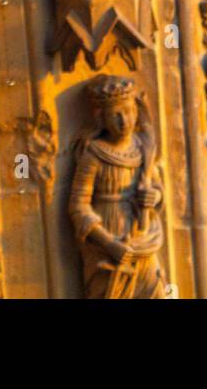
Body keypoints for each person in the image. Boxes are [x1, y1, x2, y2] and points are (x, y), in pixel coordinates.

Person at [69, 75, 167, 299]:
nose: (126, 121)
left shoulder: (143, 148)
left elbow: (157, 185)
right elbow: (78, 206)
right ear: (101, 118)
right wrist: (109, 243)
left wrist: (155, 197)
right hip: (108, 240)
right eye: (117, 115)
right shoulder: (94, 154)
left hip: (143, 239)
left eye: (130, 111)